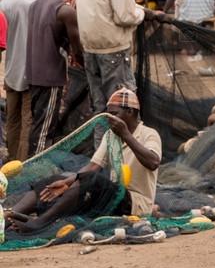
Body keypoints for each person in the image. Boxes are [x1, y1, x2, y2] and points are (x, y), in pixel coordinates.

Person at [7, 89, 161, 233]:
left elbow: (153, 162)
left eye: (115, 114)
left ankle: (39, 223)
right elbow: (93, 166)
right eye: (108, 115)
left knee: (93, 180)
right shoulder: (110, 135)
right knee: (56, 180)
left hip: (136, 204)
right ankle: (9, 216)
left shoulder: (149, 134)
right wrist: (66, 183)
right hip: (112, 197)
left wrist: (126, 135)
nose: (110, 119)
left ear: (130, 112)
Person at [77, 0, 157, 141]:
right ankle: (124, 159)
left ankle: (101, 161)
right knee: (123, 109)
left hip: (90, 51)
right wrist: (142, 14)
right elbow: (125, 15)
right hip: (113, 51)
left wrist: (136, 10)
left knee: (100, 109)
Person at [25, 0, 83, 157]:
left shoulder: (35, 5)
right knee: (44, 130)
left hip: (33, 74)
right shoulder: (65, 10)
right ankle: (33, 174)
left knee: (39, 124)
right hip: (50, 78)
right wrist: (88, 68)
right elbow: (78, 51)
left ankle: (35, 169)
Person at [0, 0, 42, 161]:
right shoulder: (44, 5)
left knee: (12, 119)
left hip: (11, 71)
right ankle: (21, 165)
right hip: (34, 73)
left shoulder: (6, 4)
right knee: (27, 121)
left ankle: (10, 159)